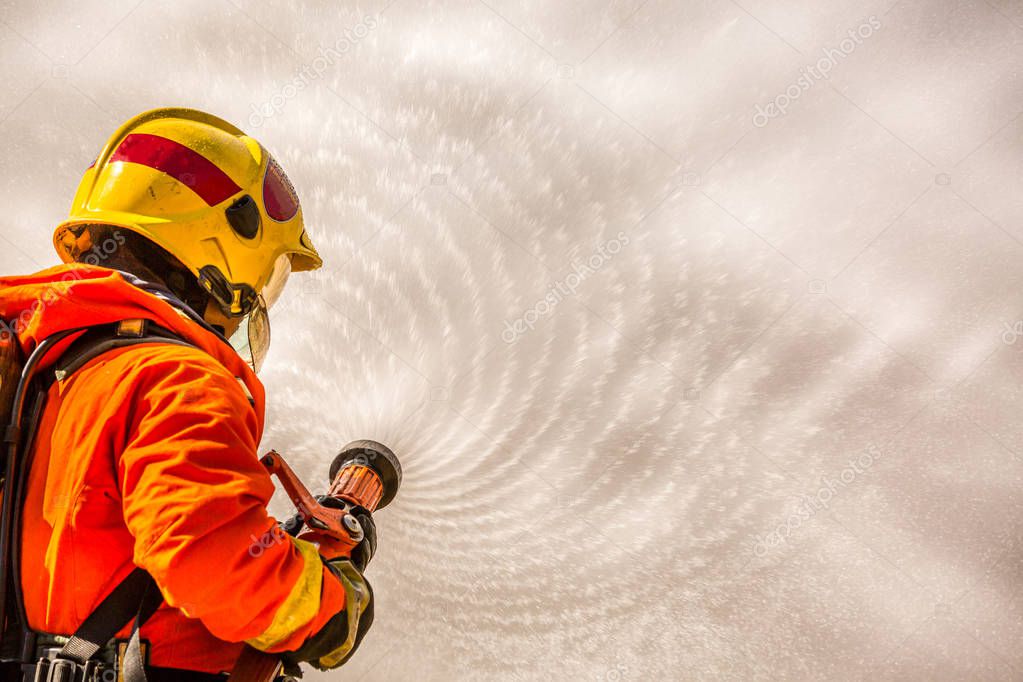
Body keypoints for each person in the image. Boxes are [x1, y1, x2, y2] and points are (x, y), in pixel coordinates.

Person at [0, 108, 374, 680]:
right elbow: (217, 564)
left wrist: (269, 541)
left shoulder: (42, 367)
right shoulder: (175, 380)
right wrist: (333, 606)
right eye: (266, 275)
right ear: (221, 246)